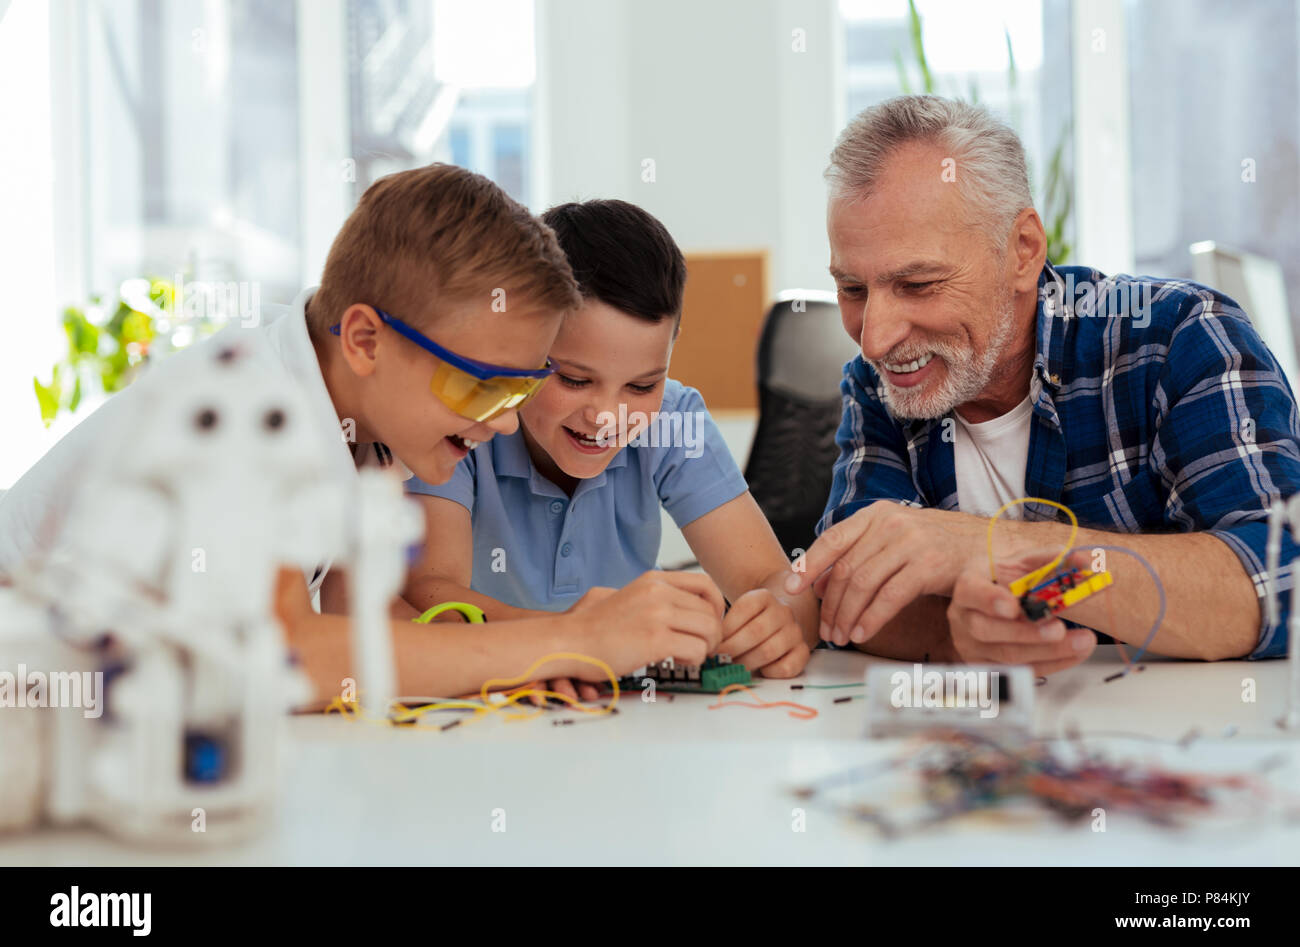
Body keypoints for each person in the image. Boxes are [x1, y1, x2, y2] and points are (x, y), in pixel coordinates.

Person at [0, 165, 725, 705]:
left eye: (523, 387)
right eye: (483, 385)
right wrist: (571, 639)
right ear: (367, 341)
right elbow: (284, 653)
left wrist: (517, 663)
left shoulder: (366, 434)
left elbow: (364, 618)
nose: (504, 421)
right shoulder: (242, 404)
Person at [784, 95, 1300, 674]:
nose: (874, 340)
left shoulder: (1179, 337)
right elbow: (851, 595)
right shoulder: (879, 384)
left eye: (919, 284)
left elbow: (1282, 579)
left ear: (1022, 251)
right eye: (853, 289)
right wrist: (961, 638)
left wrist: (1002, 551)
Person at [403, 200, 819, 696]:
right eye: (575, 380)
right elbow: (429, 593)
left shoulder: (674, 418)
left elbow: (774, 581)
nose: (606, 416)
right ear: (523, 342)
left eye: (642, 386)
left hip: (625, 711)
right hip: (491, 702)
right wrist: (567, 641)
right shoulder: (465, 420)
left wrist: (781, 622)